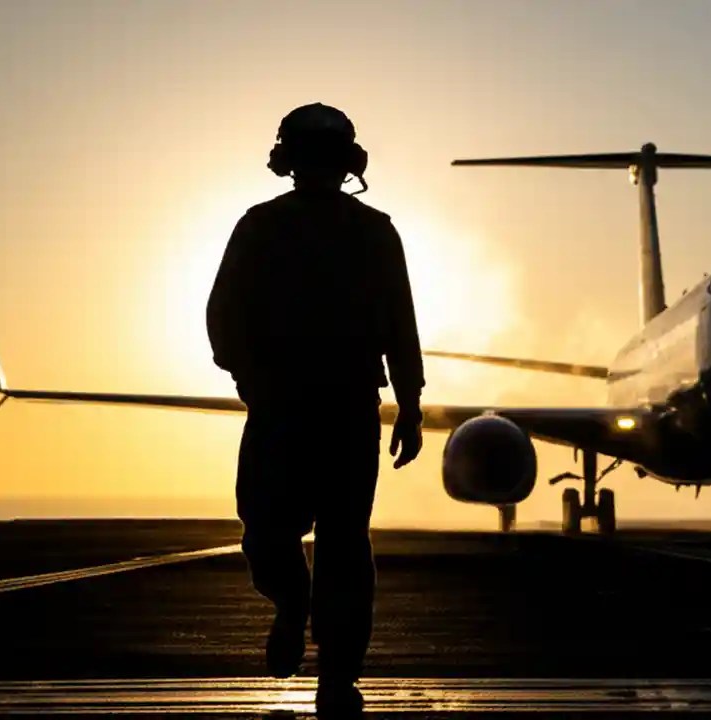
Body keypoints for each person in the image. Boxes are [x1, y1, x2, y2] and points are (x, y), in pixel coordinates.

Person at [205, 102, 425, 713]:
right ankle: (296, 608)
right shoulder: (263, 227)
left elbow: (399, 324)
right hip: (301, 407)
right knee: (281, 536)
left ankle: (337, 672)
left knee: (335, 541)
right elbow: (223, 314)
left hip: (329, 408)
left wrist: (410, 402)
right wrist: (250, 377)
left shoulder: (369, 231)